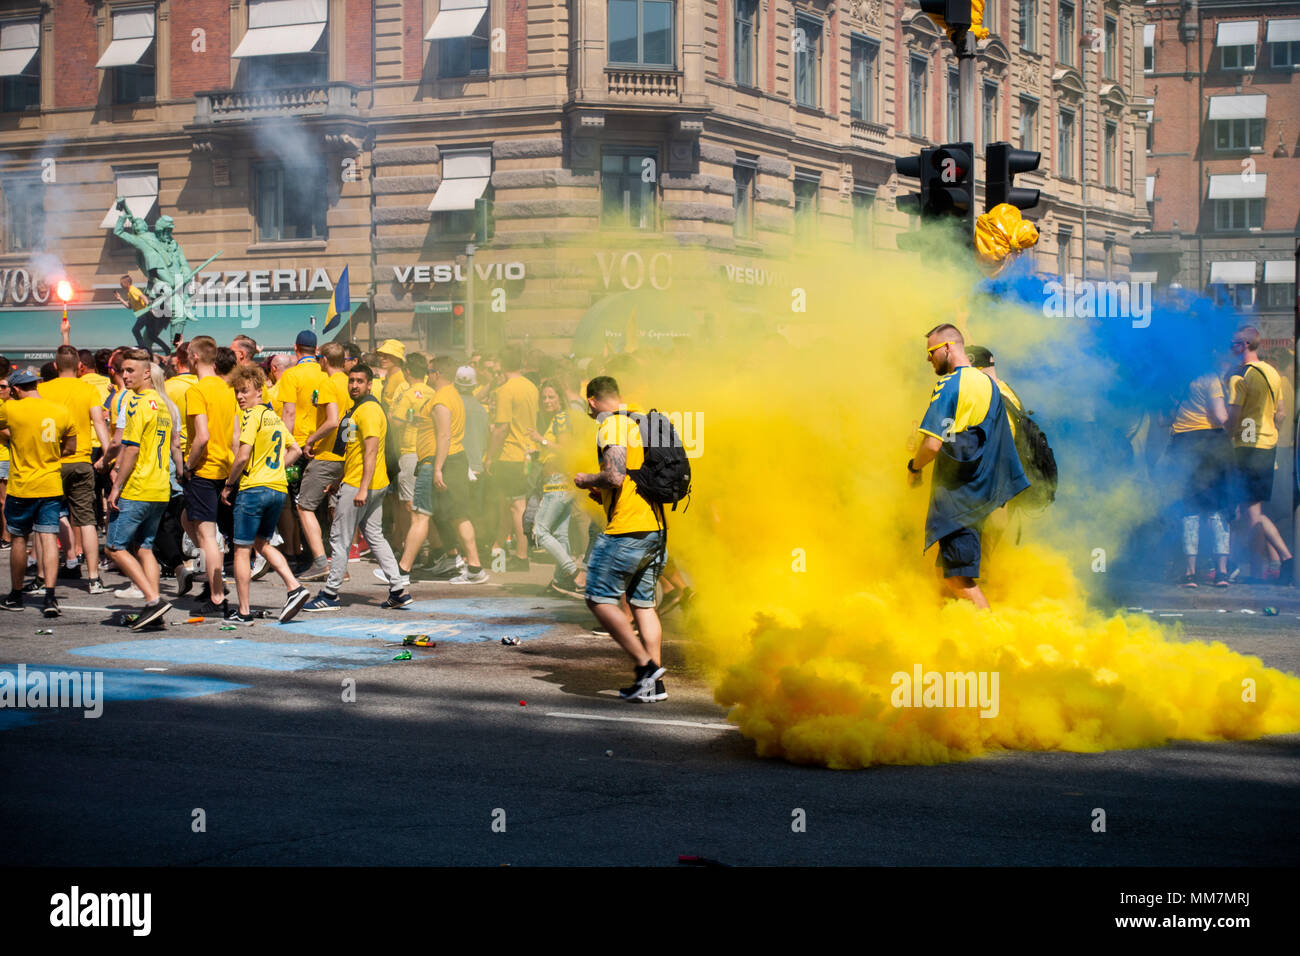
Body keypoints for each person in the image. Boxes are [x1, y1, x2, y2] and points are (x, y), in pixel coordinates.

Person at [908, 324, 1029, 610]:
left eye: (931, 352)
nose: (928, 360)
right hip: (988, 495)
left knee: (959, 580)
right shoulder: (990, 385)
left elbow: (932, 445)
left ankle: (991, 640)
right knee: (948, 574)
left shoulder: (950, 384)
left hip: (962, 500)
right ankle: (951, 636)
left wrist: (914, 467)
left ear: (948, 348)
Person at [573, 375, 668, 703]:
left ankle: (645, 668)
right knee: (644, 605)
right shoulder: (639, 420)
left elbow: (614, 474)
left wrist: (586, 480)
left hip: (627, 530)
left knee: (597, 598)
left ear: (592, 401)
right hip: (655, 526)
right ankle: (653, 685)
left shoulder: (611, 424)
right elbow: (631, 475)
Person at [304, 364, 411, 612]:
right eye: (351, 381)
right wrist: (337, 479)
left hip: (362, 485)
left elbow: (372, 452)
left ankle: (330, 595)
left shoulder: (370, 410)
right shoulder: (358, 409)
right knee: (374, 535)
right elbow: (355, 451)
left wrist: (361, 489)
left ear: (369, 384)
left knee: (339, 539)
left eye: (360, 381)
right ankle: (398, 591)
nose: (354, 385)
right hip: (363, 482)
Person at [222, 365, 311, 625]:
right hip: (276, 489)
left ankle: (245, 611)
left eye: (245, 391)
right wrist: (276, 468)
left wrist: (229, 484)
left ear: (258, 391)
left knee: (241, 549)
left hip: (254, 490)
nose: (240, 397)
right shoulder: (273, 417)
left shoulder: (252, 416)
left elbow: (243, 454)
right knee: (262, 543)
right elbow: (295, 448)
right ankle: (294, 587)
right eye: (237, 392)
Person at [105, 351, 182, 631]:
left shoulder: (137, 403)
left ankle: (153, 600)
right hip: (160, 487)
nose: (125, 376)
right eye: (122, 371)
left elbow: (132, 448)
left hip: (139, 486)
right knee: (146, 548)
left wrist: (115, 487)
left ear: (147, 373)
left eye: (130, 370)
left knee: (114, 547)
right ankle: (155, 606)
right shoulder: (162, 403)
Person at [0, 369, 76, 616]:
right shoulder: (61, 411)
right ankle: (50, 596)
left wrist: (16, 439)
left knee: (19, 538)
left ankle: (16, 595)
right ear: (36, 385)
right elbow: (70, 447)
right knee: (48, 537)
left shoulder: (10, 409)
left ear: (15, 389)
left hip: (22, 485)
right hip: (50, 482)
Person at [38, 346, 111, 594]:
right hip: (81, 460)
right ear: (79, 365)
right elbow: (99, 423)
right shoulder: (88, 389)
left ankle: (41, 577)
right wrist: (109, 455)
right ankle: (93, 578)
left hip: (50, 462)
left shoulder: (42, 389)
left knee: (45, 521)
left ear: (56, 366)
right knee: (87, 520)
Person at [1225, 326, 1292, 582]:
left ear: (1243, 345)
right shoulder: (1272, 373)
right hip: (1266, 446)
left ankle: (1273, 565)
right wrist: (1270, 433)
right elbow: (1281, 414)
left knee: (1252, 514)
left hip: (1247, 448)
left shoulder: (1240, 377)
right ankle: (1269, 563)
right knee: (1248, 511)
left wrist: (1224, 435)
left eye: (1233, 343)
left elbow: (1232, 418)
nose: (1230, 348)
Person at [183, 336, 240, 615]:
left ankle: (217, 595)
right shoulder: (227, 389)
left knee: (207, 537)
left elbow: (201, 436)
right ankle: (213, 577)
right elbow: (236, 436)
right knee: (188, 519)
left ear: (194, 357)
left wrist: (188, 465)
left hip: (204, 469)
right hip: (225, 468)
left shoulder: (197, 390)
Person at [1167, 362, 1233, 587]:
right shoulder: (1210, 378)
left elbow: (1163, 419)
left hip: (1182, 442)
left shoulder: (1178, 379)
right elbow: (1221, 416)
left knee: (1190, 509)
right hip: (1210, 443)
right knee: (1218, 508)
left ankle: (1190, 573)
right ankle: (1222, 573)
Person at [425, 355, 486, 584]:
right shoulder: (453, 394)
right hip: (454, 459)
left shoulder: (442, 398)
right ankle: (455, 558)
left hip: (450, 460)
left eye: (430, 371)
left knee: (458, 515)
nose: (428, 375)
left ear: (437, 373)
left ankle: (475, 567)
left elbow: (444, 434)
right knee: (446, 514)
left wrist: (438, 468)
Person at [296, 343, 350, 581]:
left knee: (304, 507)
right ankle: (340, 566)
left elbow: (332, 421)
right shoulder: (350, 383)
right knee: (337, 512)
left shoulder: (328, 383)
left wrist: (310, 440)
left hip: (327, 454)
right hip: (347, 454)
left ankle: (320, 562)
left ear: (325, 360)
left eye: (319, 359)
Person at [530, 379, 584, 597]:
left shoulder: (562, 418)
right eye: (543, 397)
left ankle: (574, 574)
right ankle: (560, 582)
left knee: (540, 532)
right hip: (560, 483)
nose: (546, 401)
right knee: (560, 535)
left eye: (551, 396)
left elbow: (565, 449)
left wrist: (541, 441)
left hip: (558, 483)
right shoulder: (560, 419)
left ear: (560, 398)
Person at [487, 345, 539, 571]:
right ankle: (499, 549)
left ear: (501, 364)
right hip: (529, 453)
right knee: (509, 505)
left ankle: (521, 555)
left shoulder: (505, 390)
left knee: (516, 506)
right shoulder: (531, 386)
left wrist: (489, 457)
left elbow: (502, 428)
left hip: (510, 454)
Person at [117, 273, 167, 355]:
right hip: (143, 314)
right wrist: (120, 299)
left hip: (144, 314)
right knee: (151, 336)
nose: (120, 285)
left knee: (135, 330)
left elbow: (143, 297)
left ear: (126, 283)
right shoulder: (129, 293)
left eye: (121, 283)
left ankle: (143, 348)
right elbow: (129, 306)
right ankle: (166, 349)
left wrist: (149, 308)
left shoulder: (133, 290)